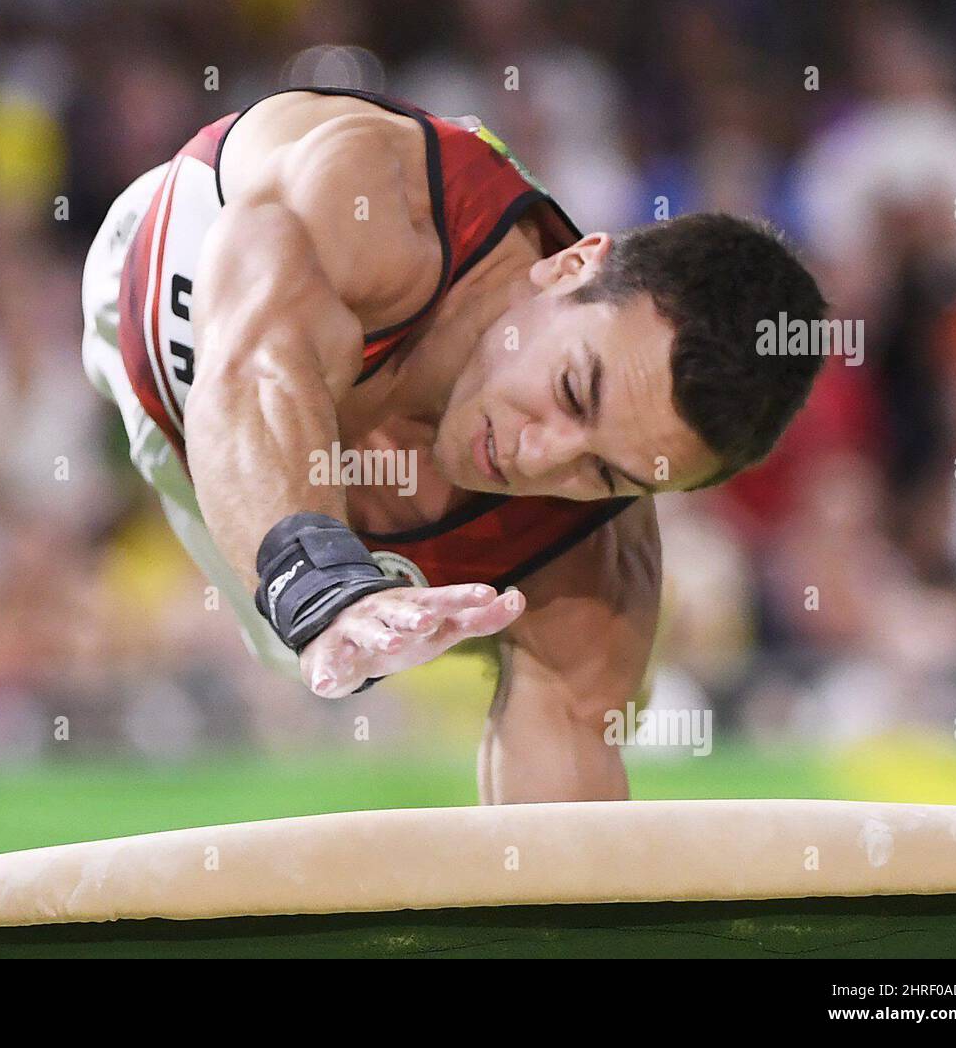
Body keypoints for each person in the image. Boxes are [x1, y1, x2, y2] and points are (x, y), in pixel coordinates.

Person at [81, 87, 827, 803]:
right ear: (571, 265)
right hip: (160, 306)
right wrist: (320, 586)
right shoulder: (381, 198)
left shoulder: (591, 561)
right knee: (277, 408)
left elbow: (552, 855)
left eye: (603, 471)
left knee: (556, 667)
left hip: (304, 519)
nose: (539, 457)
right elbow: (253, 363)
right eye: (572, 389)